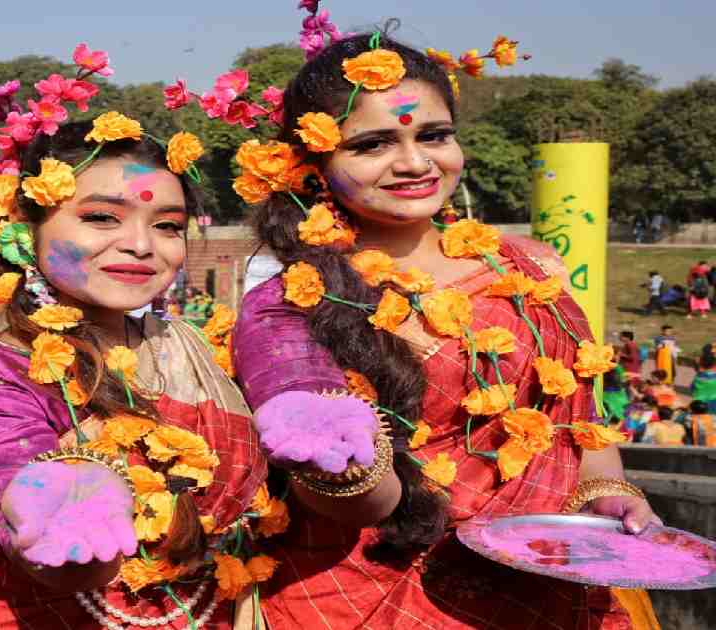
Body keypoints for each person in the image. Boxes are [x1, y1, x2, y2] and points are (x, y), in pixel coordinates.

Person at [231, 28, 656, 628]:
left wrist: (609, 497)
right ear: (315, 164)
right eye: (374, 144)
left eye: (433, 135)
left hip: (543, 585)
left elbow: (580, 432)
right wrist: (345, 462)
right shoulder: (289, 305)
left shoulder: (527, 269)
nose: (414, 162)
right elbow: (336, 494)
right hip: (364, 595)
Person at [0, 117, 281, 628]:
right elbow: (25, 509)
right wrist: (60, 518)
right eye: (101, 217)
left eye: (166, 225)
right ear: (26, 231)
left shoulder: (190, 345)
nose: (141, 245)